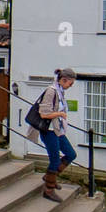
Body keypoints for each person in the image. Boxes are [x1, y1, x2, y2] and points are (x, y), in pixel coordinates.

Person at [28, 69, 77, 200]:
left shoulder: (60, 91)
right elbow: (44, 114)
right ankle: (48, 190)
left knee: (71, 154)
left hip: (57, 129)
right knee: (55, 159)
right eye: (70, 83)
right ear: (64, 80)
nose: (71, 86)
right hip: (48, 131)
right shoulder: (51, 91)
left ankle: (51, 176)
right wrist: (60, 114)